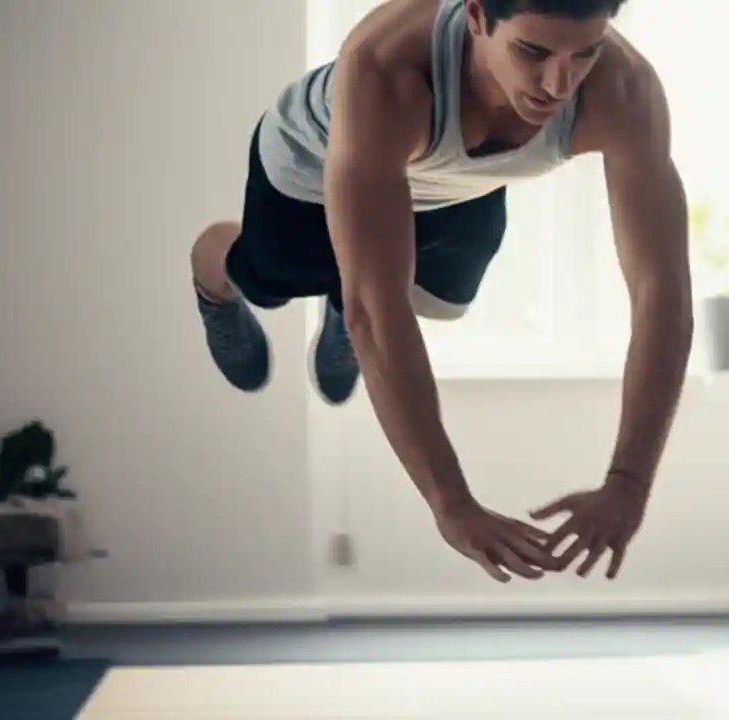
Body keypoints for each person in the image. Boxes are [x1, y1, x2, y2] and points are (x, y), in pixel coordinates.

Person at [190, 0, 693, 583]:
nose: (559, 84)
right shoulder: (385, 67)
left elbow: (662, 293)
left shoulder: (625, 90)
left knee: (436, 302)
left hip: (459, 187)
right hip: (310, 175)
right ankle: (213, 275)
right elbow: (376, 317)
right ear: (476, 16)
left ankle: (342, 294)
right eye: (532, 52)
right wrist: (451, 503)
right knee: (274, 283)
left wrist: (629, 482)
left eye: (583, 54)